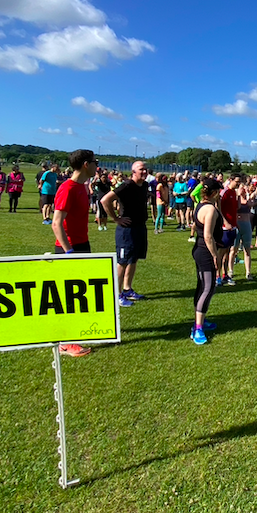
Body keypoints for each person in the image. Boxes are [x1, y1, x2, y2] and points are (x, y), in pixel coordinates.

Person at [50, 149, 98, 357]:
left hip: (82, 244)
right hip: (69, 248)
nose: (98, 165)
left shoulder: (82, 187)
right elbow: (56, 223)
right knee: (69, 295)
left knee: (79, 294)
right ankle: (65, 343)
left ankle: (75, 334)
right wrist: (68, 251)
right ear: (86, 164)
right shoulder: (67, 188)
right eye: (95, 162)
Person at [101, 160, 150, 307]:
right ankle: (117, 294)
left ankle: (127, 289)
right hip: (126, 230)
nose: (145, 172)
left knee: (133, 259)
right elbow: (105, 200)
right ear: (134, 171)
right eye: (141, 169)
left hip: (140, 228)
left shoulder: (145, 185)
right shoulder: (127, 185)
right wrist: (116, 219)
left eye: (146, 169)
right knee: (122, 262)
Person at [190, 180, 224, 345]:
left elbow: (195, 192)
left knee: (202, 286)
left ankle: (200, 321)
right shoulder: (209, 209)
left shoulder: (200, 204)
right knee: (208, 288)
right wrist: (215, 256)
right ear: (215, 192)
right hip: (205, 251)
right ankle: (197, 329)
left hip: (199, 250)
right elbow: (208, 236)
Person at [218, 176, 238, 285]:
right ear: (230, 180)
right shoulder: (224, 192)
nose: (238, 184)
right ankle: (218, 276)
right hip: (225, 228)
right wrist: (225, 222)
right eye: (237, 182)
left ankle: (225, 275)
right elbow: (219, 208)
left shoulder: (234, 192)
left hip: (233, 226)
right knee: (221, 253)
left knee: (227, 252)